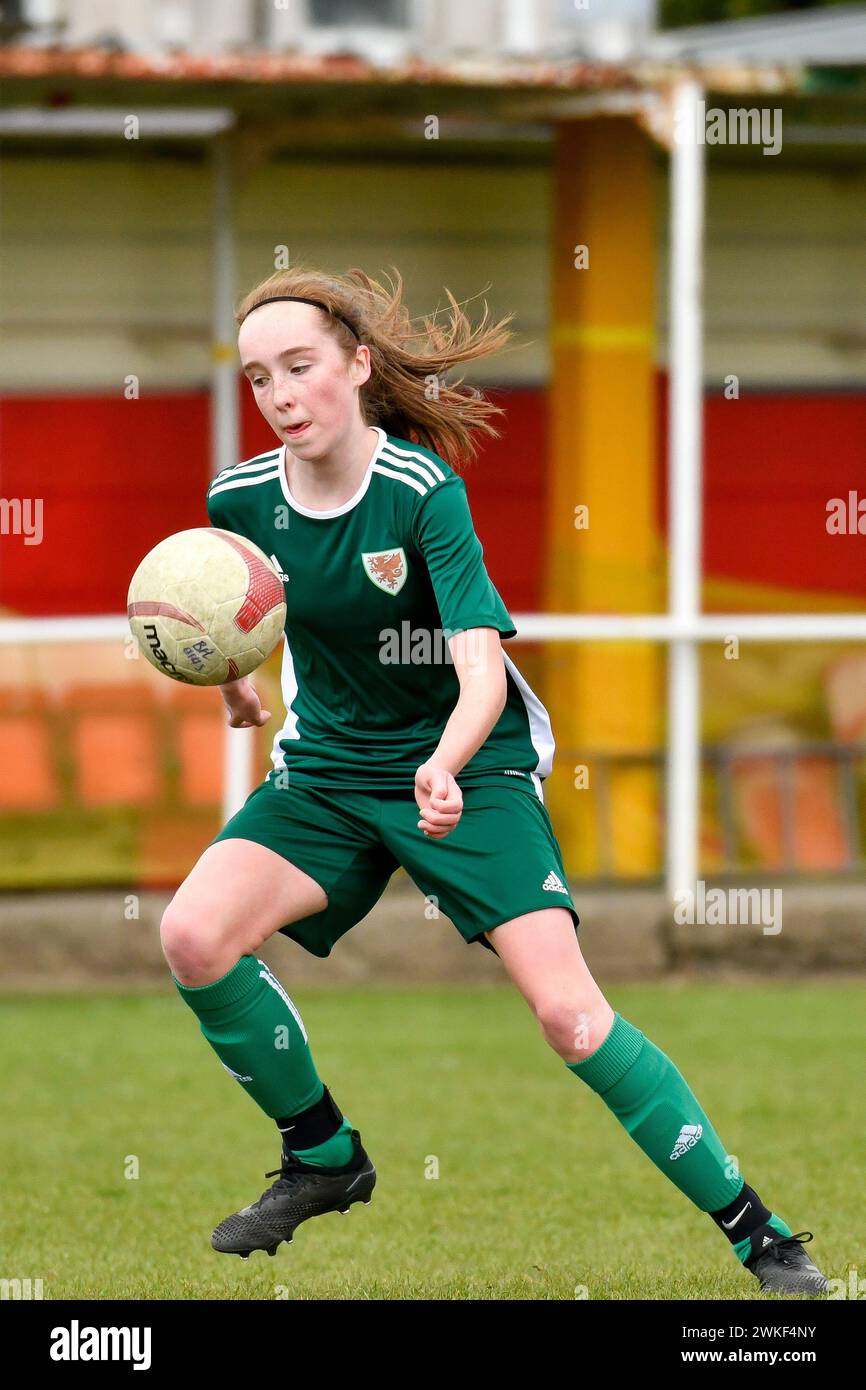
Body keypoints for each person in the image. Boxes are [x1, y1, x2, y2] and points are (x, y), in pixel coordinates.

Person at [160, 266, 827, 1294]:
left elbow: (477, 660)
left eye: (300, 366)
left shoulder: (420, 491)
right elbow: (242, 619)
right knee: (192, 936)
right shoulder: (237, 498)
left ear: (356, 364)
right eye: (258, 377)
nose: (280, 394)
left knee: (569, 1016)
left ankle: (760, 1234)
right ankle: (324, 1155)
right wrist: (235, 692)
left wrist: (444, 757)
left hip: (470, 763)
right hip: (331, 770)